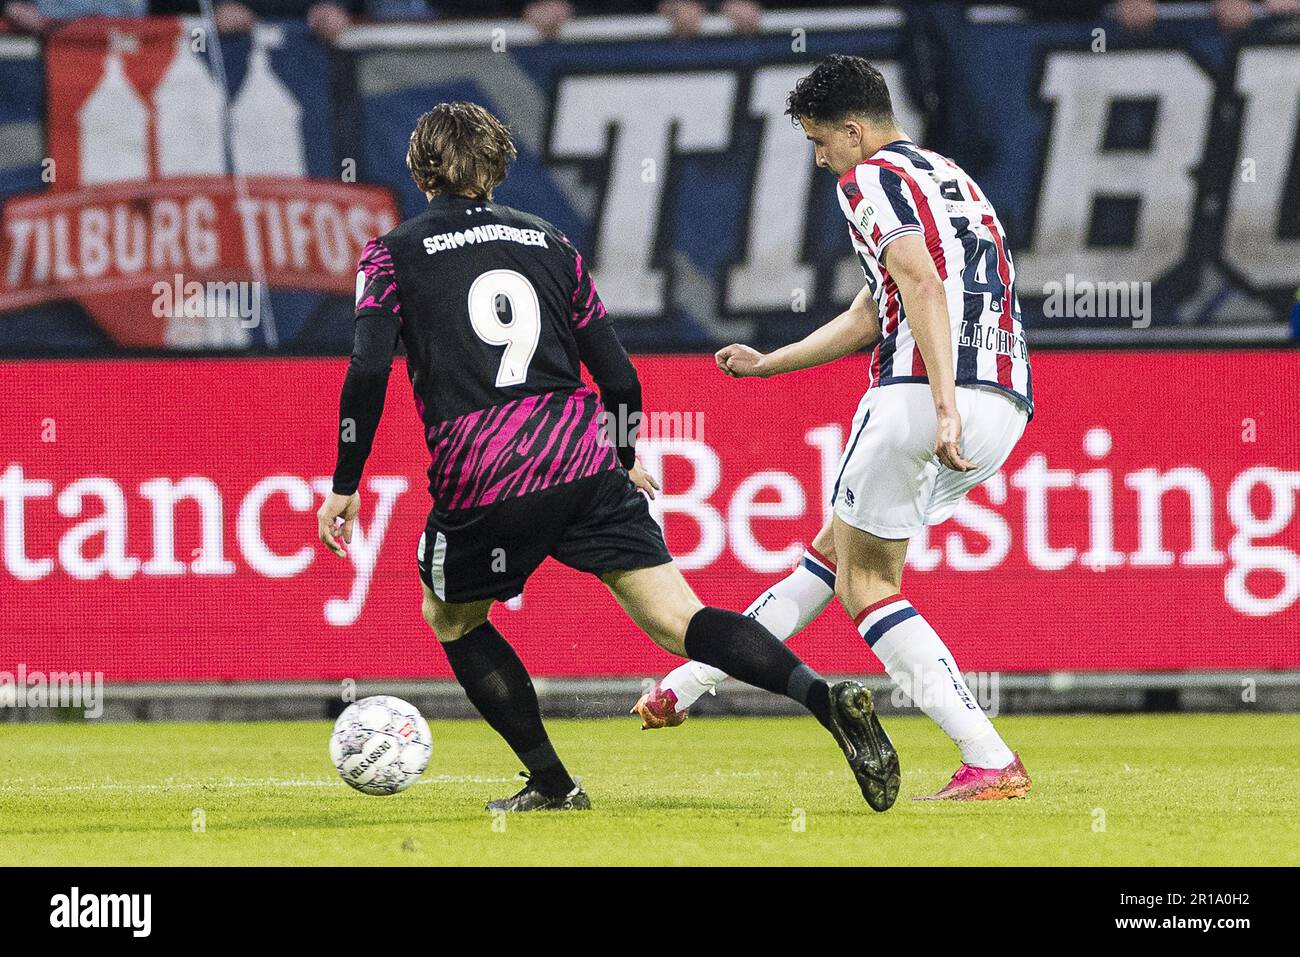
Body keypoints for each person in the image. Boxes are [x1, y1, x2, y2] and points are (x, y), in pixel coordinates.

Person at [317, 100, 902, 813]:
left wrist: (346, 483)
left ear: (422, 168)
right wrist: (623, 453)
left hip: (486, 474)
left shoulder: (392, 253)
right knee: (680, 620)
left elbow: (368, 371)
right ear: (496, 165)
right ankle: (822, 694)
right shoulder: (551, 244)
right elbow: (620, 377)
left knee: (453, 618)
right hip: (584, 460)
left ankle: (554, 783)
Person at [634, 55, 1035, 802]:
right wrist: (769, 364)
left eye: (822, 142)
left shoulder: (870, 179)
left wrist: (941, 399)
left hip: (924, 391)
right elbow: (869, 310)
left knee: (868, 583)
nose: (821, 160)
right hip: (1007, 398)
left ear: (855, 131)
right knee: (834, 553)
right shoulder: (952, 181)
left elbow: (915, 281)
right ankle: (684, 687)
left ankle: (988, 755)